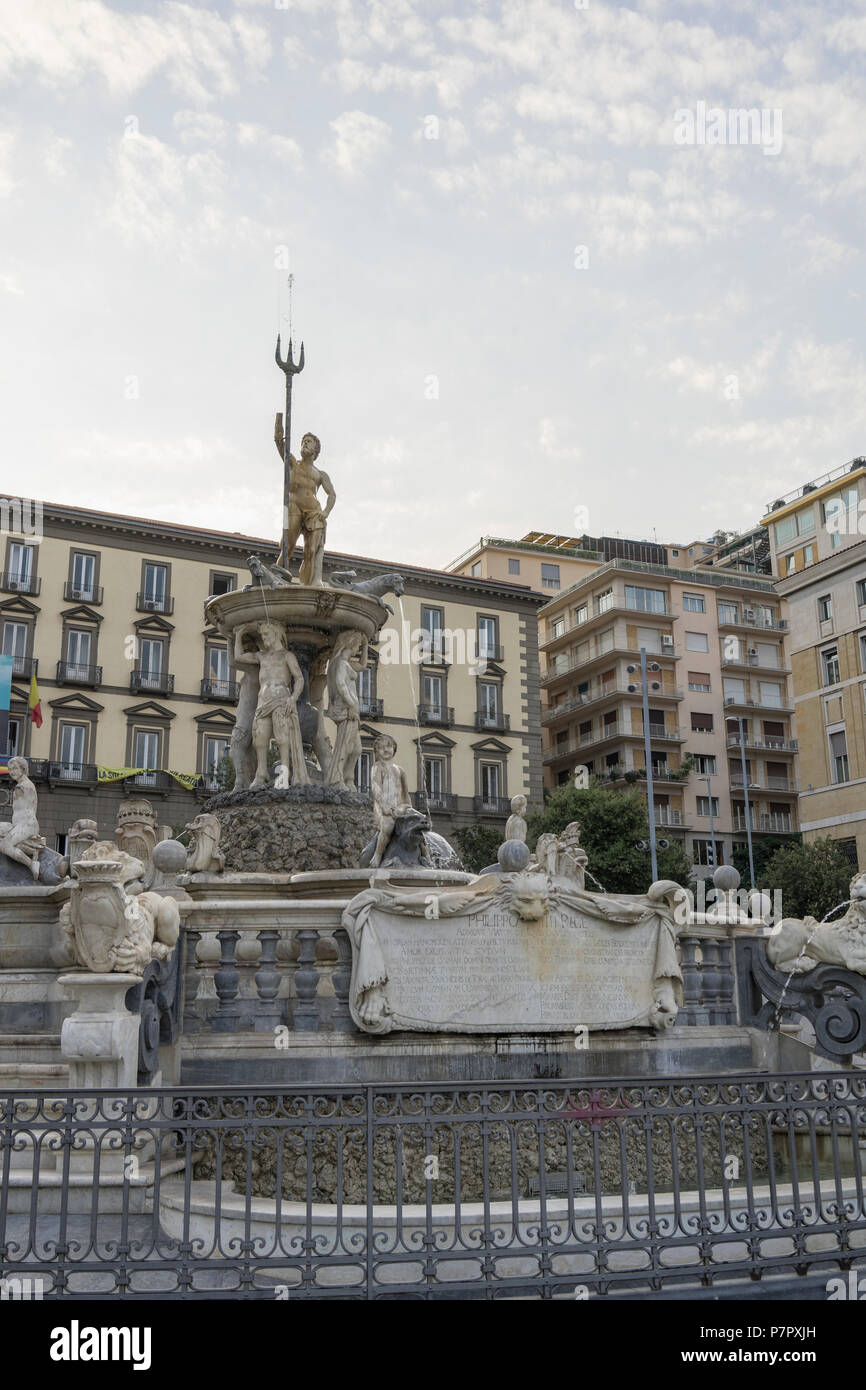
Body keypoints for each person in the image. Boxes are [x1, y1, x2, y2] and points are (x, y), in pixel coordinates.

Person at [234, 621, 308, 788]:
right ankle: (261, 774)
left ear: (276, 634)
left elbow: (299, 678)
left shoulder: (287, 656)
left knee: (282, 737)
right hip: (263, 700)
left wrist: (293, 698)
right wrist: (239, 635)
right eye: (262, 635)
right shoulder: (261, 656)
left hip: (281, 699)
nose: (263, 637)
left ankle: (284, 773)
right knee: (260, 738)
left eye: (266, 634)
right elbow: (238, 657)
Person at [274, 415, 336, 587]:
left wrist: (325, 512)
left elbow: (332, 495)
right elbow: (279, 441)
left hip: (313, 512)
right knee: (287, 546)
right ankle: (277, 580)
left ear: (316, 449)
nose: (305, 444)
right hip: (294, 506)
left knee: (311, 551)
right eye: (303, 441)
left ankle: (306, 587)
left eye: (309, 442)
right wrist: (279, 419)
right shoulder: (293, 462)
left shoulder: (320, 474)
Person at [325, 629, 367, 789]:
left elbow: (362, 666)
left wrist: (366, 645)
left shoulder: (343, 663)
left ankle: (349, 778)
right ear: (351, 644)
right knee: (344, 746)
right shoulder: (341, 664)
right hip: (347, 710)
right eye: (358, 645)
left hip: (351, 710)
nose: (358, 648)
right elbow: (340, 684)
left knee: (356, 749)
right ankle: (336, 779)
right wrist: (350, 704)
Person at [0, 756, 46, 880]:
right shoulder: (21, 785)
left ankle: (31, 864)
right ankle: (29, 851)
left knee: (5, 845)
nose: (12, 772)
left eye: (15, 768)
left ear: (23, 769)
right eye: (10, 769)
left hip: (27, 825)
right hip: (18, 825)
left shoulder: (25, 786)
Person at [369, 734, 412, 867]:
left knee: (417, 823)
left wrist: (407, 808)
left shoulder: (400, 770)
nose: (385, 749)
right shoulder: (377, 767)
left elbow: (406, 794)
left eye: (388, 746)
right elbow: (376, 788)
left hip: (399, 807)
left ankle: (427, 855)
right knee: (388, 825)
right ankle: (378, 854)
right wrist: (384, 807)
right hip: (382, 808)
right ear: (376, 751)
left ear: (394, 748)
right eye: (381, 747)